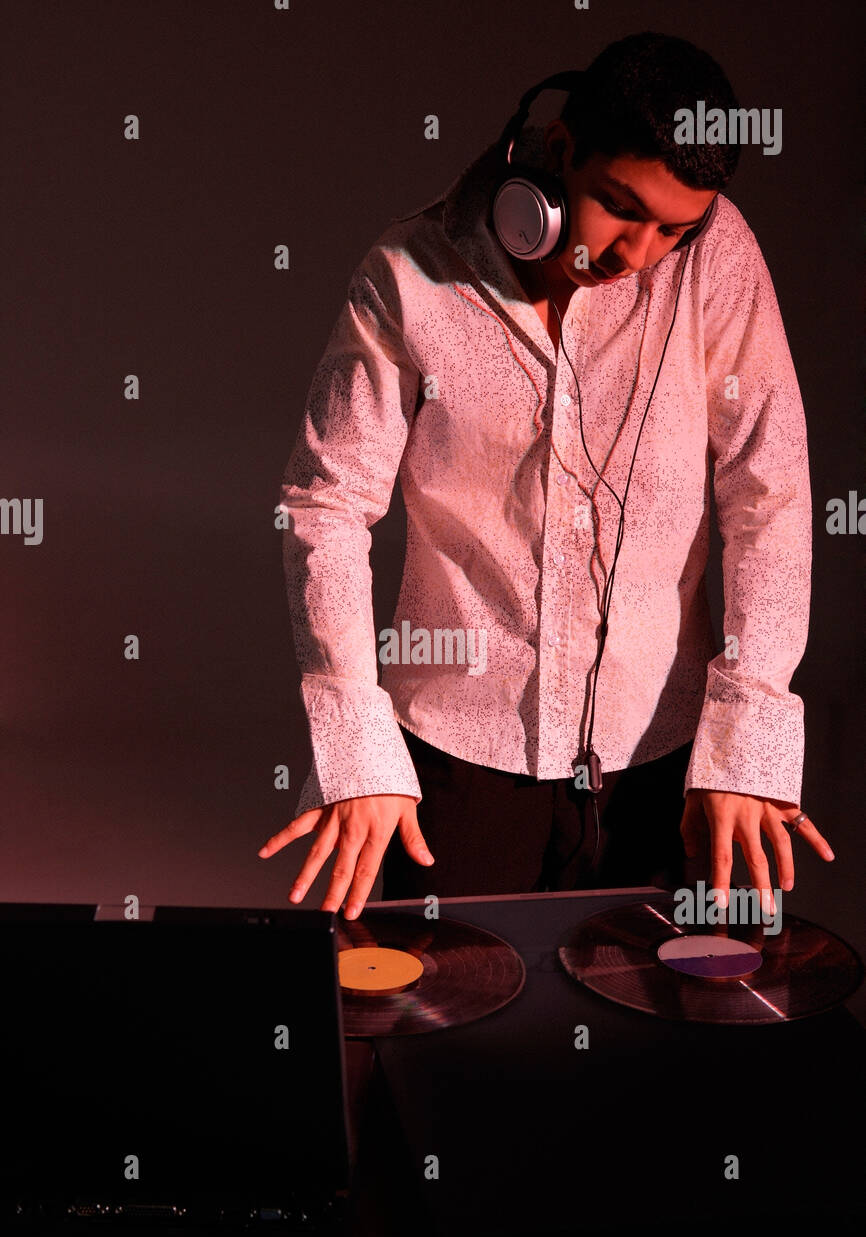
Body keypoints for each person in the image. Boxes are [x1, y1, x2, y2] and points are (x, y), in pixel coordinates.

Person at [258, 32, 834, 918]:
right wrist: (358, 743)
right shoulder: (410, 275)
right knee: (428, 1038)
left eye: (671, 230)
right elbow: (325, 504)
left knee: (663, 1041)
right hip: (447, 766)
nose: (639, 254)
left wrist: (750, 733)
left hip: (667, 763)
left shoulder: (717, 258)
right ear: (559, 153)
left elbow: (771, 493)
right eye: (619, 206)